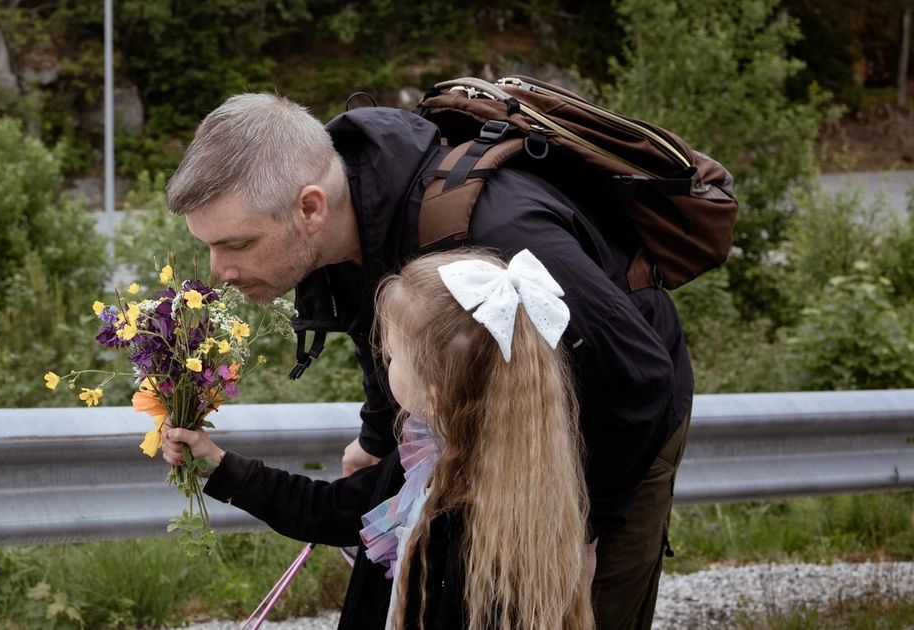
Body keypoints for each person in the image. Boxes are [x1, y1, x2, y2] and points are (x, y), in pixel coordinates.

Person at [167, 93, 693, 629]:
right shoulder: (345, 231)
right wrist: (378, 441)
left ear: (310, 207)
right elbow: (384, 340)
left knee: (572, 608)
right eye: (208, 246)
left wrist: (581, 527)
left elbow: (640, 379)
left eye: (236, 243)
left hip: (617, 420)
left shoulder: (500, 235)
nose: (219, 271)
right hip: (479, 433)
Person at [163, 250, 594, 629]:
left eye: (392, 354)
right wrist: (217, 463)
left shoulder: (461, 529)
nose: (384, 362)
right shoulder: (429, 462)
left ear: (434, 394)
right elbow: (330, 510)